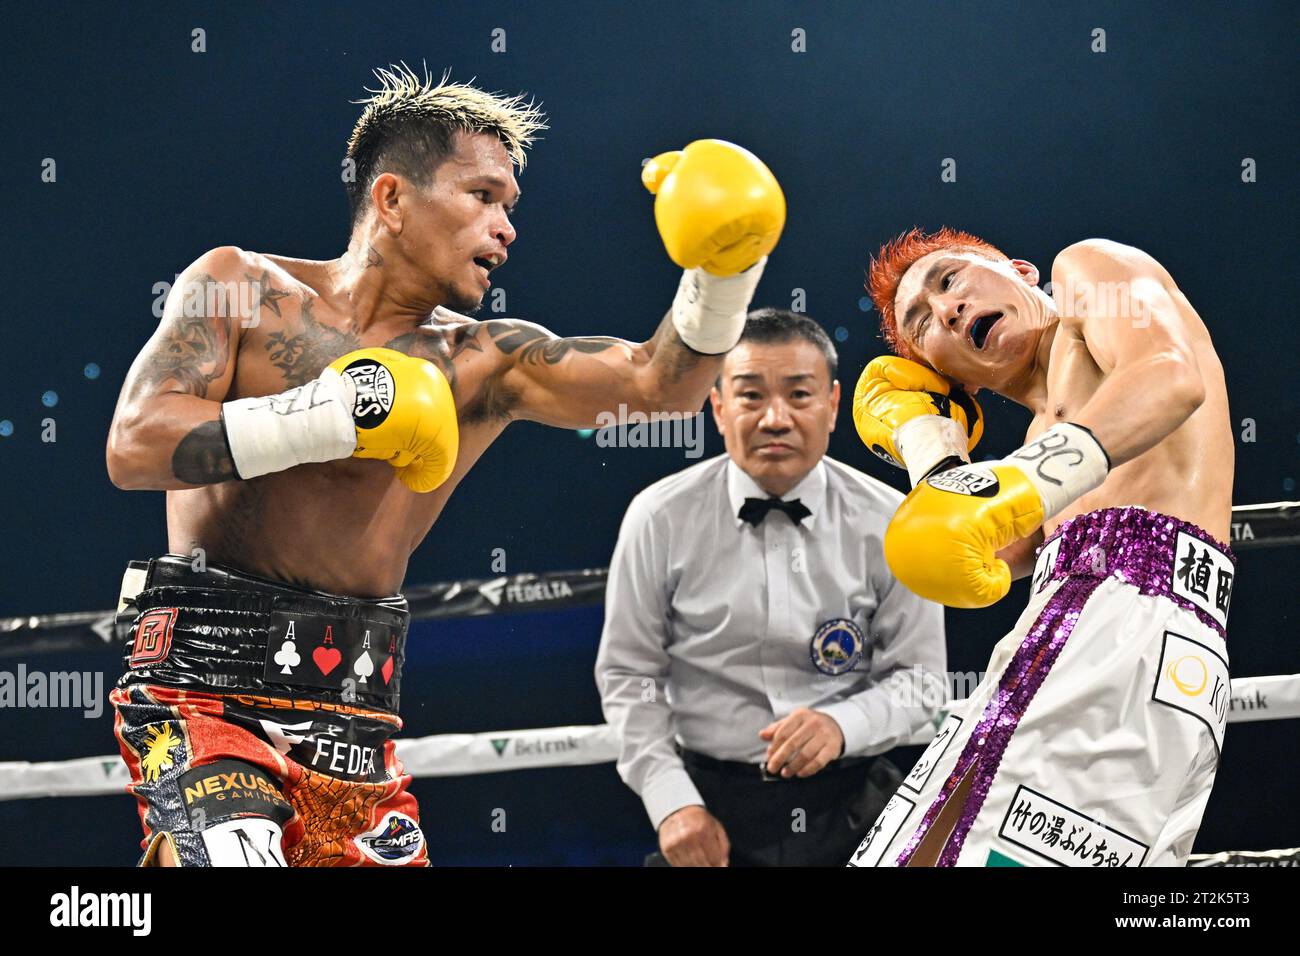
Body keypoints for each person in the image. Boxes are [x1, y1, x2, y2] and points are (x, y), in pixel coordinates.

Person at [104, 64, 785, 866]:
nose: (507, 228)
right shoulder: (241, 287)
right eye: (483, 196)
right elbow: (135, 445)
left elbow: (658, 386)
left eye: (510, 206)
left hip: (356, 715)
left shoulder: (483, 361)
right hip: (202, 688)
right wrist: (331, 416)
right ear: (392, 200)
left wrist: (724, 268)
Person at [848, 228, 1234, 867]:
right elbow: (979, 555)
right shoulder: (1040, 438)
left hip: (1126, 632)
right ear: (947, 375)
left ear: (1021, 271)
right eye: (923, 325)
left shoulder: (1087, 268)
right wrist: (927, 444)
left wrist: (1028, 479)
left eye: (950, 280)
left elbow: (1169, 375)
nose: (946, 309)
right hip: (1090, 643)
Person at [596, 308, 947, 867]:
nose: (775, 418)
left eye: (799, 395)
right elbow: (627, 674)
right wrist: (671, 803)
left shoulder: (894, 520)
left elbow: (922, 680)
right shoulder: (660, 516)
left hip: (860, 802)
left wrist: (841, 723)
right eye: (751, 396)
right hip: (709, 805)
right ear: (718, 407)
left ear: (833, 405)